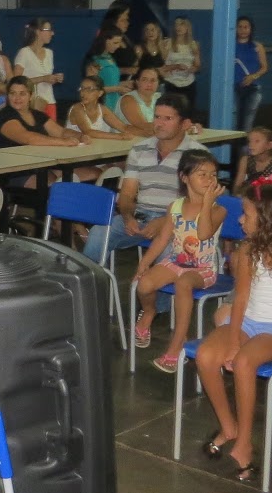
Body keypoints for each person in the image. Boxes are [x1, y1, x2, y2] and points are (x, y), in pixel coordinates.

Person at [195, 184, 272, 483]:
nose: (241, 220)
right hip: (249, 321)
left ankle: (245, 442)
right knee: (205, 355)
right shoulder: (248, 248)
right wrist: (233, 338)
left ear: (268, 216)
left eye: (247, 214)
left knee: (243, 363)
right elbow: (240, 298)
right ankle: (228, 427)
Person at [132, 149, 225, 372]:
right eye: (202, 174)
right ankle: (150, 312)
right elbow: (163, 238)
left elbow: (203, 234)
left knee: (184, 283)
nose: (209, 179)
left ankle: (176, 347)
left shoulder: (218, 209)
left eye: (213, 175)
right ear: (184, 177)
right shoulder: (175, 207)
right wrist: (145, 263)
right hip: (176, 261)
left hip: (203, 269)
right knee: (144, 284)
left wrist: (206, 204)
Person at [84, 93, 202, 264]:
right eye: (157, 117)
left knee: (166, 253)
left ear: (185, 124)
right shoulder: (139, 150)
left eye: (168, 118)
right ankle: (90, 286)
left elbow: (199, 202)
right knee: (98, 233)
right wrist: (127, 216)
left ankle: (159, 289)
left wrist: (164, 221)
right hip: (141, 216)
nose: (159, 124)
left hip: (178, 221)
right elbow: (127, 194)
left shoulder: (197, 154)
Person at [0, 78, 83, 149]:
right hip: (13, 170)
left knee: (91, 172)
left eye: (22, 94)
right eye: (12, 93)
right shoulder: (4, 115)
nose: (17, 98)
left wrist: (81, 136)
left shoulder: (37, 115)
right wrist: (63, 142)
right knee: (60, 175)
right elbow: (28, 138)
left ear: (31, 96)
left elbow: (61, 132)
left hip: (41, 164)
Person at [13, 21, 63, 119]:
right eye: (49, 30)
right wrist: (43, 78)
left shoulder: (49, 53)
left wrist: (54, 78)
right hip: (31, 103)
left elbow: (46, 78)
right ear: (37, 32)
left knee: (51, 132)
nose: (52, 33)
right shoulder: (24, 52)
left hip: (50, 101)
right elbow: (16, 81)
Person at [233, 17, 268, 133]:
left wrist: (253, 76)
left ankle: (244, 150)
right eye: (240, 27)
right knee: (233, 122)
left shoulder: (257, 46)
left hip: (252, 89)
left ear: (251, 29)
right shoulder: (229, 46)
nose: (243, 30)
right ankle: (230, 151)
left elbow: (264, 67)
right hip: (233, 88)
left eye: (246, 27)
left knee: (247, 123)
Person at [85, 31, 131, 112]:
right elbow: (92, 88)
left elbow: (108, 82)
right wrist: (117, 88)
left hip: (114, 103)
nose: (118, 46)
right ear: (105, 41)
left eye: (119, 43)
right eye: (115, 43)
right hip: (101, 105)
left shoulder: (109, 58)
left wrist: (124, 84)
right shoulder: (95, 60)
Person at [161, 17, 202, 105]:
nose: (178, 27)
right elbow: (161, 67)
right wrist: (176, 66)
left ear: (187, 27)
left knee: (188, 112)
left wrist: (192, 69)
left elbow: (198, 66)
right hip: (172, 83)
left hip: (189, 83)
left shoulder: (194, 44)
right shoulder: (167, 43)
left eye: (182, 24)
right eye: (176, 24)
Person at [231, 127, 272, 196]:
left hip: (267, 198)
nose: (251, 145)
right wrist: (235, 197)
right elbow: (238, 184)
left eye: (257, 141)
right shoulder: (245, 160)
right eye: (249, 141)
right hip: (248, 195)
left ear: (270, 145)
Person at [119, 66, 163, 137]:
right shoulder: (128, 99)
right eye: (144, 80)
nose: (149, 84)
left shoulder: (160, 98)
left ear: (158, 83)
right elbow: (142, 125)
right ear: (137, 82)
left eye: (153, 80)